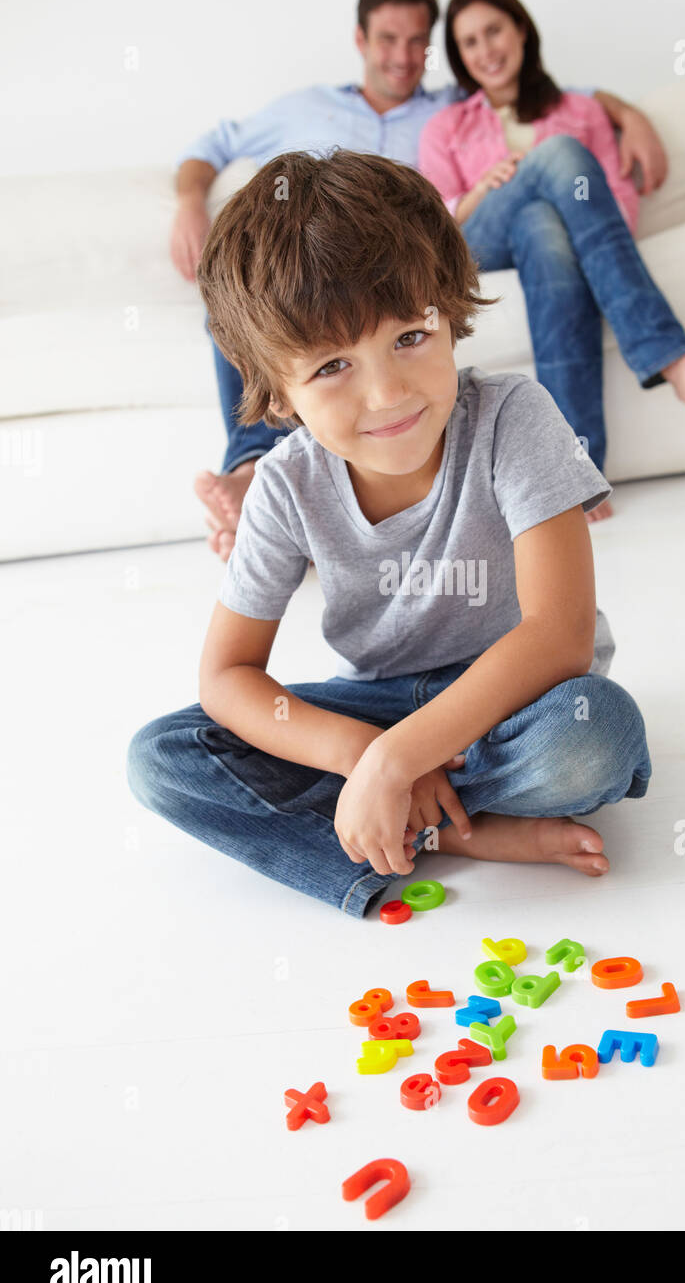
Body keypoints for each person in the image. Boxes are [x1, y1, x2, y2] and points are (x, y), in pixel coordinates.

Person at [127, 149, 652, 918]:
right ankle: (458, 831)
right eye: (333, 365)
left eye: (410, 336)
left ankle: (403, 808)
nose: (387, 392)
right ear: (277, 388)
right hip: (374, 707)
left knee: (595, 735)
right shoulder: (284, 484)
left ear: (448, 311)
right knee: (162, 760)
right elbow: (228, 679)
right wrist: (365, 753)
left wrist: (404, 757)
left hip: (517, 702)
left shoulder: (515, 418)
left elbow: (560, 635)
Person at [170, 0, 671, 557]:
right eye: (388, 39)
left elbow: (548, 92)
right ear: (361, 40)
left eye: (416, 42)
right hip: (312, 269)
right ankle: (252, 466)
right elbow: (210, 147)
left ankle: (569, 466)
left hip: (397, 267)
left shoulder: (451, 111)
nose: (402, 56)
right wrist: (188, 201)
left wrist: (631, 115)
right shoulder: (303, 107)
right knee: (239, 303)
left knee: (531, 226)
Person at [419, 0, 685, 520]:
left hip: (546, 238)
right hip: (479, 236)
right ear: (459, 57)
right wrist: (486, 185)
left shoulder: (581, 109)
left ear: (521, 30)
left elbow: (616, 204)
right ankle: (672, 355)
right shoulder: (445, 126)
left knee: (543, 227)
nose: (486, 50)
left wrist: (573, 200)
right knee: (555, 158)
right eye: (470, 42)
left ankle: (574, 468)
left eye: (494, 31)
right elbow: (437, 222)